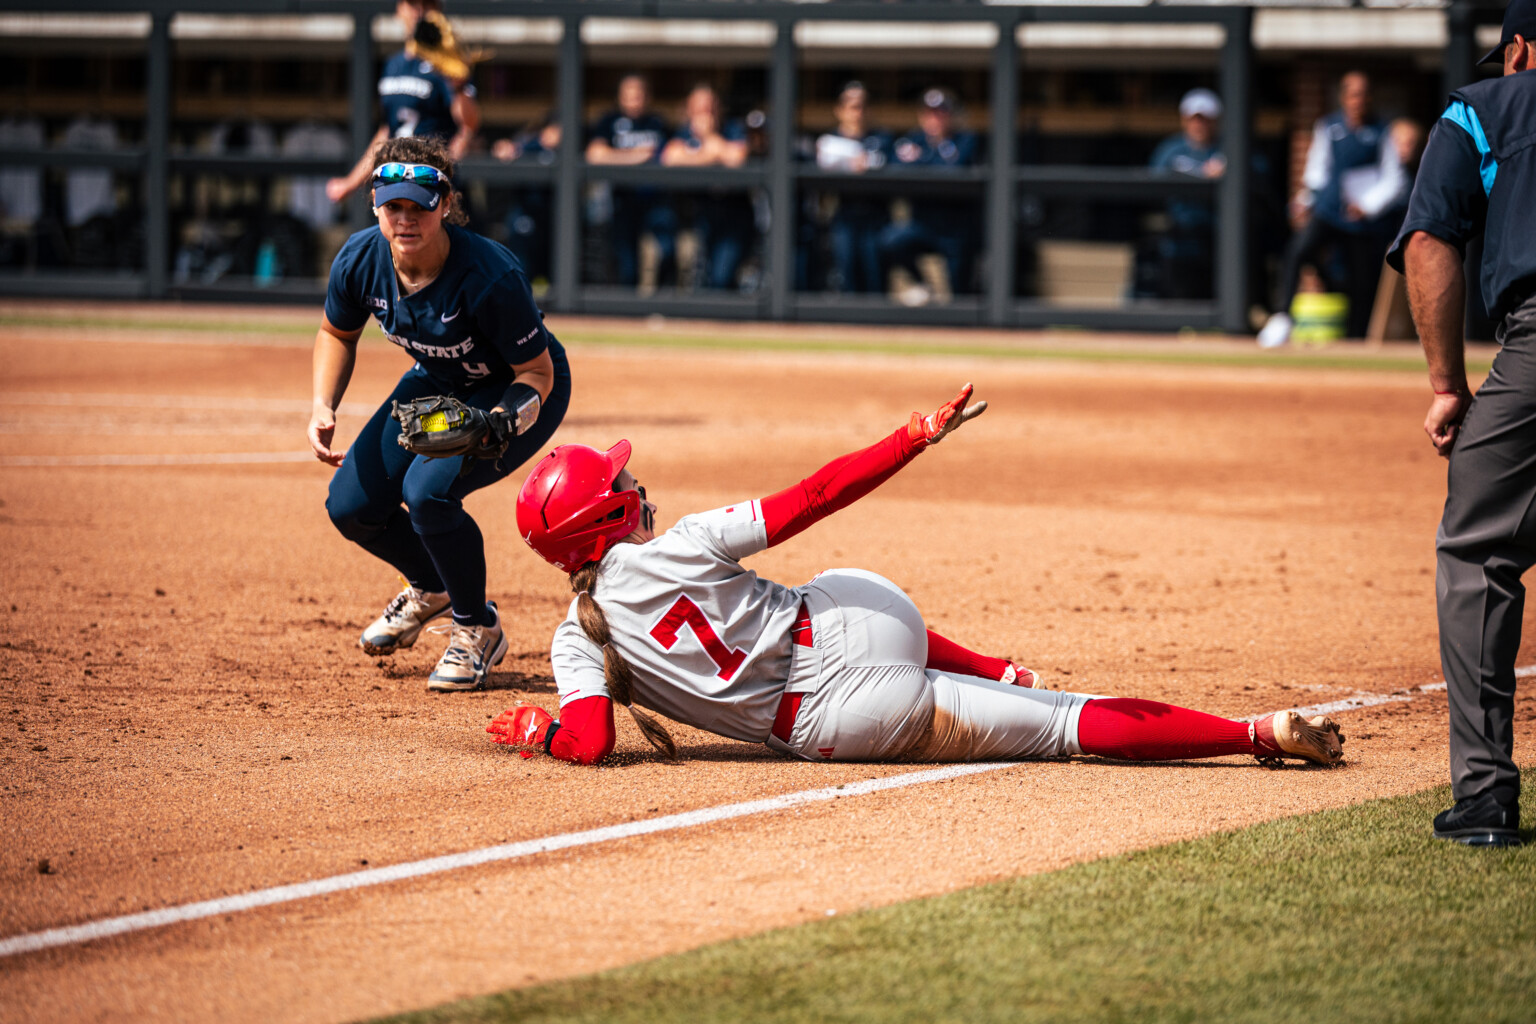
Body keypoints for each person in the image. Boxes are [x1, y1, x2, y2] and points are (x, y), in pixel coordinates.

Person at [488, 385, 1345, 770]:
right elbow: (815, 495)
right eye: (621, 485)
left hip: (838, 722)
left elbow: (592, 740)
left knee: (1063, 733)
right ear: (605, 516)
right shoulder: (680, 542)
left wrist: (540, 729)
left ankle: (1255, 735)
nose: (635, 484)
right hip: (863, 623)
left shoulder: (576, 639)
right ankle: (995, 667)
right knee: (823, 583)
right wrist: (911, 436)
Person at [308, 136, 571, 692]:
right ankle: (432, 584)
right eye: (393, 206)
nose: (405, 219)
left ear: (445, 203)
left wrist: (501, 421)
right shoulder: (360, 258)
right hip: (440, 386)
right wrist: (322, 404)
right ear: (376, 204)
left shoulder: (489, 275)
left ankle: (477, 628)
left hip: (516, 390)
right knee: (352, 506)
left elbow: (539, 374)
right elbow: (336, 333)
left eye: (419, 206)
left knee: (429, 494)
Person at [1386, 0, 1536, 848]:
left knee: (1478, 548)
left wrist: (1448, 384)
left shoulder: (1484, 107)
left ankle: (1485, 795)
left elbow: (1430, 240)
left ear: (1517, 48)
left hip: (1534, 347)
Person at [1259, 71, 1407, 346]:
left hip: (1362, 219)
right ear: (1343, 97)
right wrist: (1305, 199)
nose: (1358, 100)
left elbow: (1393, 179)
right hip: (1329, 211)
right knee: (1298, 251)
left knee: (1362, 280)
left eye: (1363, 94)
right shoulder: (1328, 126)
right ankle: (1282, 317)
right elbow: (1317, 170)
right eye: (1352, 94)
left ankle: (1358, 337)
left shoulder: (1381, 131)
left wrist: (1367, 206)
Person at [326, 0, 481, 204]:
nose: (419, 11)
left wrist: (459, 85)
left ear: (438, 11)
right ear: (399, 9)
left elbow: (469, 123)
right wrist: (351, 183)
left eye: (427, 5)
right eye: (412, 4)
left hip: (431, 178)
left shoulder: (444, 63)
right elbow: (387, 132)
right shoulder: (393, 64)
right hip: (395, 177)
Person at [879, 89, 981, 305]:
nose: (934, 118)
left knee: (960, 294)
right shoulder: (913, 139)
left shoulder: (966, 139)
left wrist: (921, 163)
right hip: (923, 225)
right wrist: (931, 165)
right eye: (929, 113)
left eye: (940, 113)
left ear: (951, 115)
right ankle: (922, 285)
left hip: (956, 229)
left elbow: (956, 171)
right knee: (892, 240)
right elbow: (896, 169)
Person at [585, 74, 676, 289]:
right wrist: (636, 156)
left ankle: (662, 300)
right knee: (626, 260)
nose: (635, 99)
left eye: (640, 94)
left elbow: (672, 154)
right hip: (623, 199)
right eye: (630, 94)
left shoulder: (658, 122)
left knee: (668, 249)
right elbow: (595, 154)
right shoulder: (609, 121)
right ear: (620, 97)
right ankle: (628, 312)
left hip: (656, 199)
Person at [661, 84, 753, 291]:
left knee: (722, 276)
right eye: (699, 108)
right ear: (689, 109)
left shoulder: (732, 128)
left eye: (710, 107)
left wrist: (709, 136)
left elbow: (737, 157)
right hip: (701, 215)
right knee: (703, 278)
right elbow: (671, 157)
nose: (705, 113)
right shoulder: (684, 132)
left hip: (734, 215)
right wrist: (712, 155)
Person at [1147, 88, 1227, 301]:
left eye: (1204, 120)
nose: (1198, 125)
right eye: (1194, 119)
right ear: (1184, 120)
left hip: (1218, 238)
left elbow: (1258, 171)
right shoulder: (1171, 150)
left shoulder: (1227, 148)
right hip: (1179, 239)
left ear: (1215, 121)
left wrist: (1227, 172)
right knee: (1178, 298)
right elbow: (1152, 182)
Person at [815, 81, 893, 295]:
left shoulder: (881, 138)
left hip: (876, 215)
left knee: (874, 276)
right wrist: (855, 159)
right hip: (845, 213)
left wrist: (854, 160)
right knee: (846, 273)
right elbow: (823, 160)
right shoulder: (830, 139)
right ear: (839, 110)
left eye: (863, 106)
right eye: (852, 106)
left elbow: (885, 161)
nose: (858, 112)